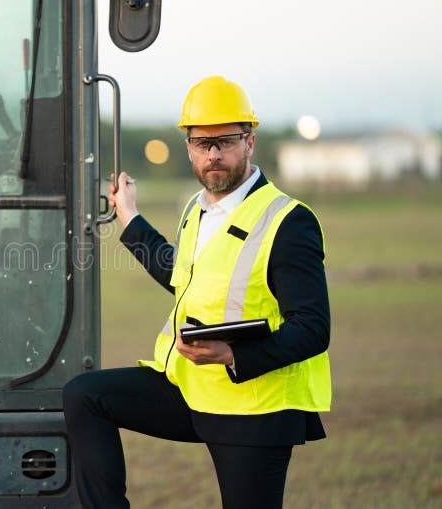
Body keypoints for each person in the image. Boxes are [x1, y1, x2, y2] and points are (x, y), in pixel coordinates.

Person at [63, 76, 331, 509]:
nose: (213, 154)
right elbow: (182, 275)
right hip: (188, 390)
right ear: (188, 146)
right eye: (202, 142)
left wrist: (232, 355)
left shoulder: (288, 221)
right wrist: (129, 217)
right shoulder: (196, 209)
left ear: (249, 142)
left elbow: (314, 328)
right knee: (84, 395)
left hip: (252, 408)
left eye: (225, 141)